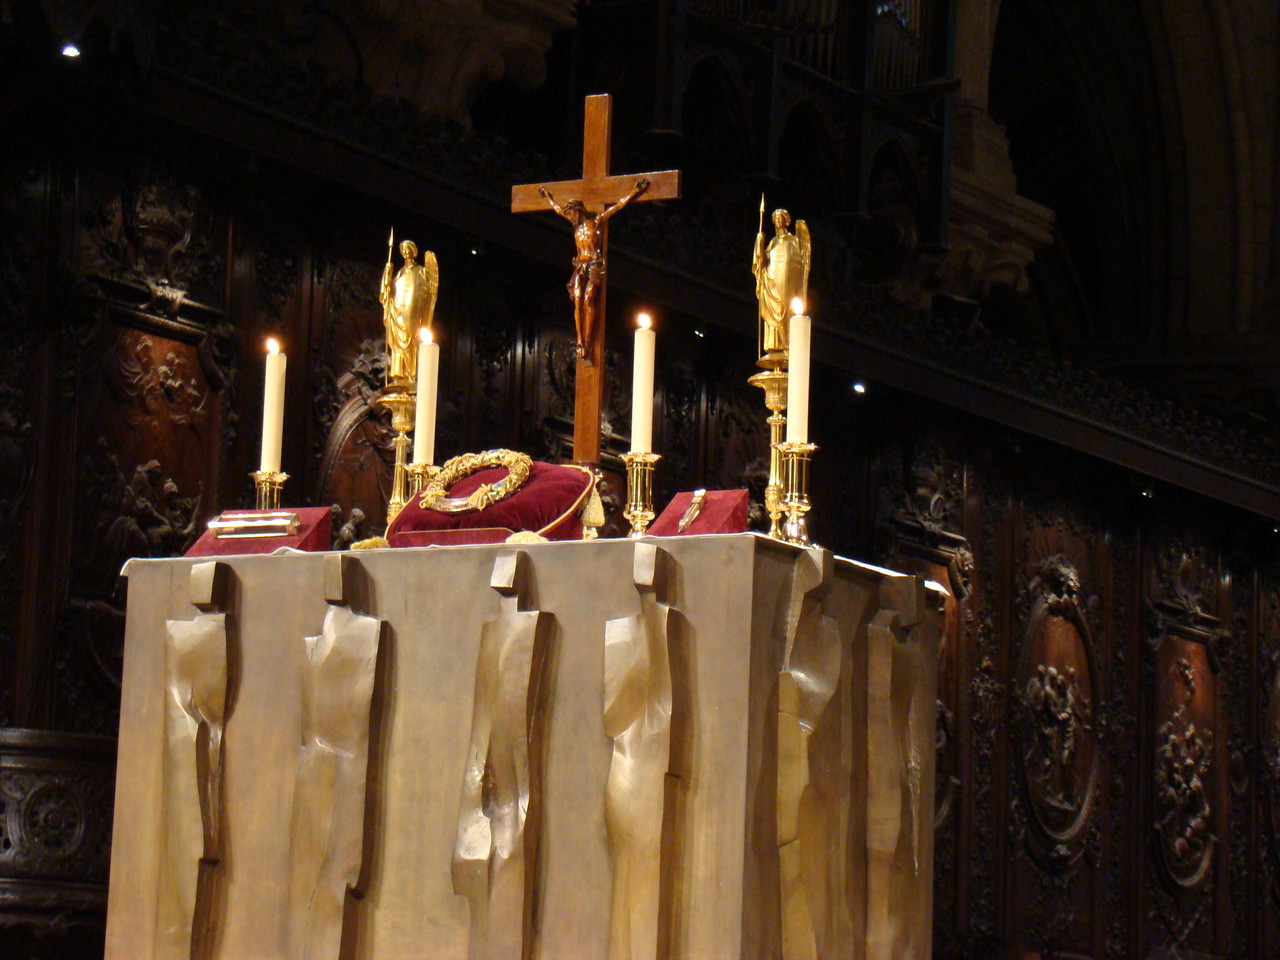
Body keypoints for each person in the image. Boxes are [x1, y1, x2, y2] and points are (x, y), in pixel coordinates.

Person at [538, 178, 650, 360]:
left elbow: (617, 206)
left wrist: (634, 191)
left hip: (593, 264)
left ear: (579, 211)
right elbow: (558, 210)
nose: (570, 216)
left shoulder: (595, 222)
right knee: (577, 301)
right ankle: (581, 340)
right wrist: (547, 198)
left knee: (589, 299)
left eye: (572, 213)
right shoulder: (576, 225)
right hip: (579, 265)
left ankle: (588, 340)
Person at [752, 204, 811, 355]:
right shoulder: (772, 242)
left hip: (786, 281)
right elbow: (762, 262)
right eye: (776, 218)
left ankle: (786, 343)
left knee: (786, 308)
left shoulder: (792, 240)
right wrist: (759, 243)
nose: (778, 221)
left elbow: (797, 262)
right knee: (772, 309)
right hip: (772, 281)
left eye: (781, 218)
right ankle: (773, 344)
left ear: (787, 221)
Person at [379, 237, 438, 382]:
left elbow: (427, 292)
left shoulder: (421, 271)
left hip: (413, 312)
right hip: (398, 310)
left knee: (412, 338)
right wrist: (387, 275)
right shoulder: (399, 273)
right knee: (399, 341)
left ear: (413, 252)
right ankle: (399, 372)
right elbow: (389, 293)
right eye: (403, 249)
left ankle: (411, 373)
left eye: (408, 249)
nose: (405, 252)